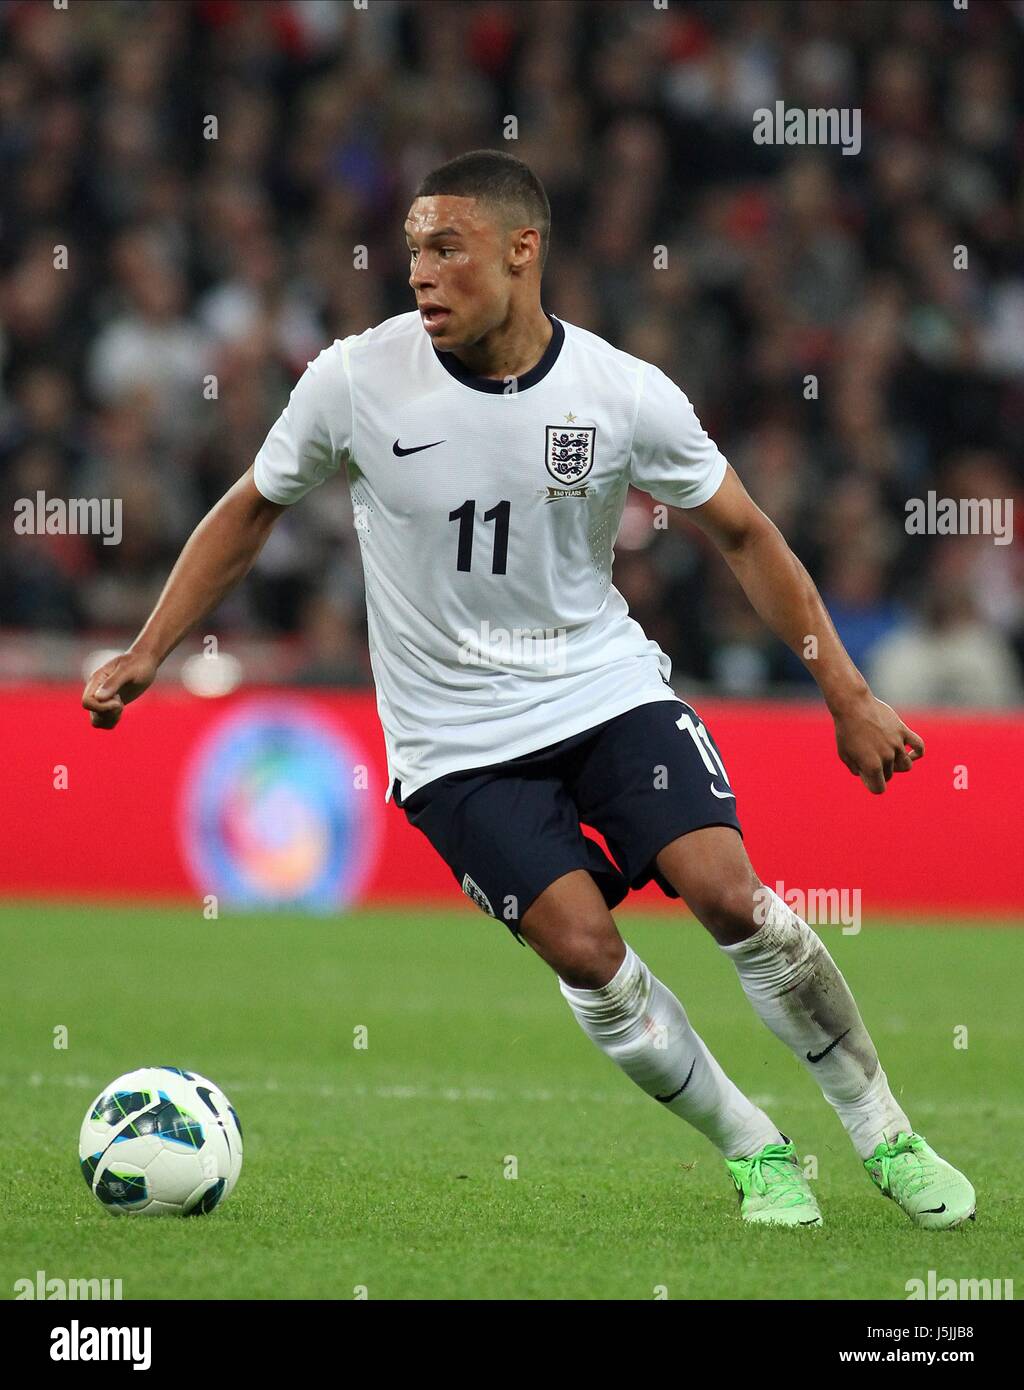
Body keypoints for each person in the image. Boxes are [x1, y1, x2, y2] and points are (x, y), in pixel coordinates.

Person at [82, 150, 974, 1229]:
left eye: (446, 247)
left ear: (522, 250)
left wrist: (847, 693)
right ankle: (753, 1147)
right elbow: (249, 510)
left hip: (601, 686)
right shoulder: (355, 379)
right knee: (587, 950)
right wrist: (148, 649)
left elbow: (744, 531)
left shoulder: (621, 393)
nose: (418, 272)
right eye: (412, 249)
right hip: (452, 739)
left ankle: (885, 1133)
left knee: (731, 894)